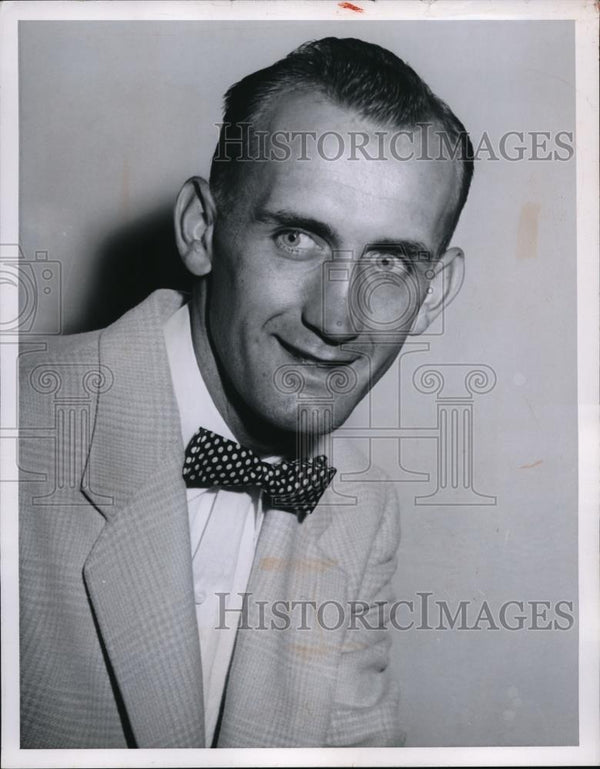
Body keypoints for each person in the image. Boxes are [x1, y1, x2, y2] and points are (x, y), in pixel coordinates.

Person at [19, 37, 473, 748]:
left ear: (435, 292)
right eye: (297, 237)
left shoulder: (361, 504)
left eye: (390, 260)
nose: (337, 316)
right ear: (202, 229)